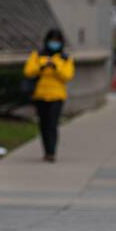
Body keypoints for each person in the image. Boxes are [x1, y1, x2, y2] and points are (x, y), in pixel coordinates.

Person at [22, 28, 75, 162]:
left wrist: (55, 67)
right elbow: (28, 71)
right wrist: (42, 67)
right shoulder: (38, 55)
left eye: (57, 41)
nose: (54, 43)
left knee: (52, 124)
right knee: (43, 125)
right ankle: (46, 151)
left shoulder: (65, 58)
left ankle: (51, 152)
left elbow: (68, 75)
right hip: (40, 95)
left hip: (57, 96)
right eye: (52, 40)